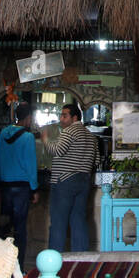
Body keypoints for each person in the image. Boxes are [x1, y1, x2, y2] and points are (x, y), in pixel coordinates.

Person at [47, 102, 98, 252]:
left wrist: (45, 139)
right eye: (61, 115)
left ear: (75, 117)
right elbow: (97, 161)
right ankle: (80, 261)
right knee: (78, 221)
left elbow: (58, 150)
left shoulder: (69, 132)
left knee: (58, 222)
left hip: (65, 181)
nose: (61, 119)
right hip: (83, 182)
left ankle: (54, 261)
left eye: (64, 115)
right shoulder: (91, 136)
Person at [0, 103, 38, 253]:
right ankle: (20, 267)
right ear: (29, 117)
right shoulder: (28, 137)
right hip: (21, 188)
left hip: (5, 187)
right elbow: (30, 164)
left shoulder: (4, 133)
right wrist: (34, 189)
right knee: (19, 229)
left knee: (5, 228)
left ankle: (3, 264)